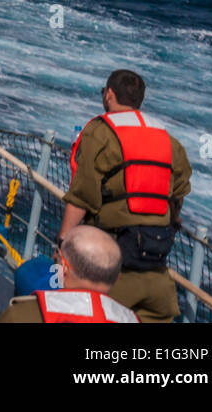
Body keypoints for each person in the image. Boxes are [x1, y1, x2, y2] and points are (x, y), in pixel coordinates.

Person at [57, 69, 192, 322]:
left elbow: (82, 196)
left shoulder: (101, 132)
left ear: (109, 94)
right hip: (157, 271)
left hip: (110, 268)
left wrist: (63, 243)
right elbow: (179, 192)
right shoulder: (168, 139)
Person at [0, 226, 139, 322]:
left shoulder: (25, 314)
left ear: (63, 267)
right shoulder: (131, 319)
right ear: (117, 278)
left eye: (58, 258)